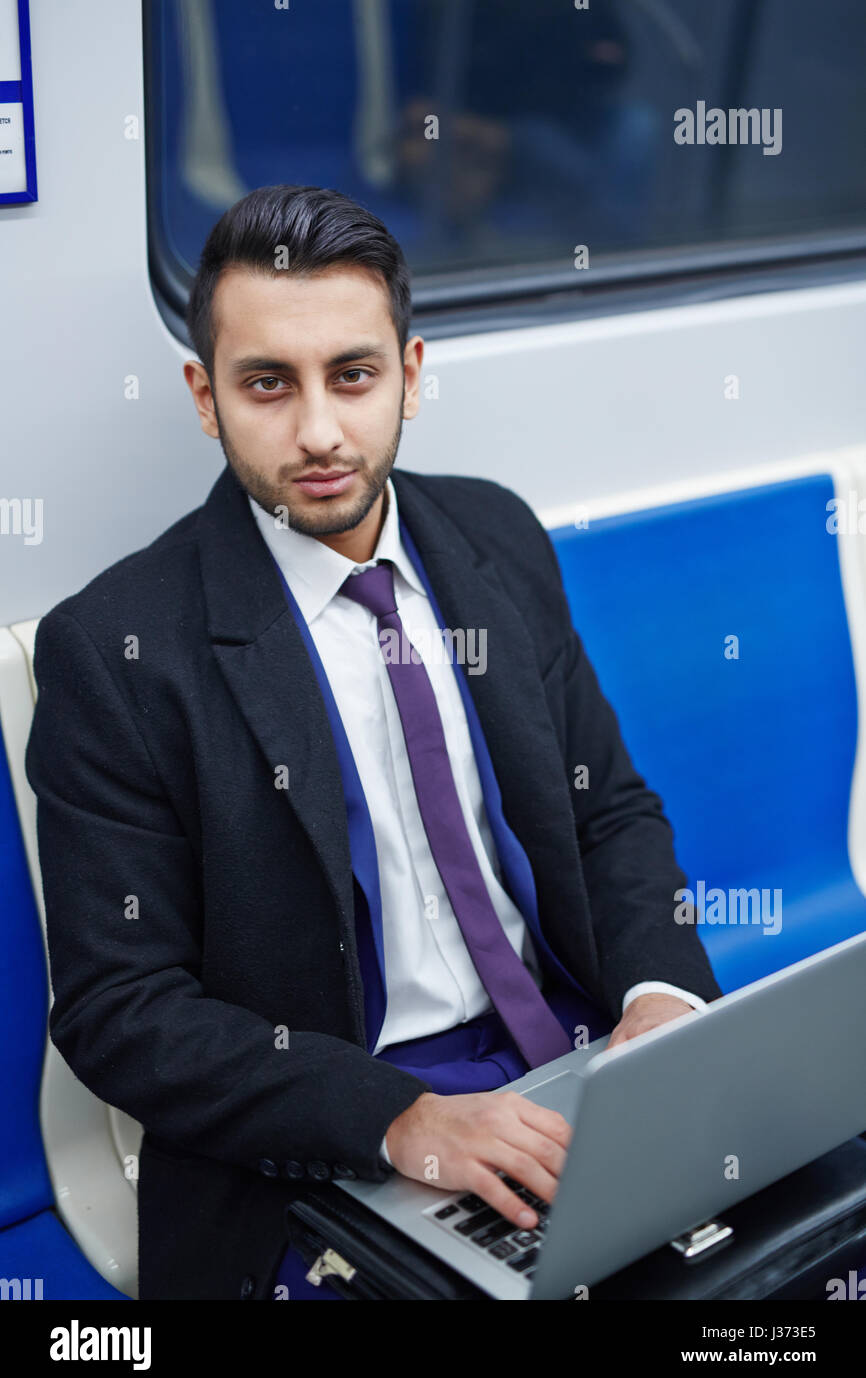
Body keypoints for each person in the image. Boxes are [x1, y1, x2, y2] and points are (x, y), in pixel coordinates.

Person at [25, 184, 721, 1301]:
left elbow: (607, 813)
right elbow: (121, 1010)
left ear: (409, 369)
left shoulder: (492, 532)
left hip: (575, 1051)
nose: (318, 432)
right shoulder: (115, 651)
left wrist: (660, 1004)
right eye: (267, 383)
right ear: (205, 396)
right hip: (331, 1121)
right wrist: (391, 1117)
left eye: (352, 375)